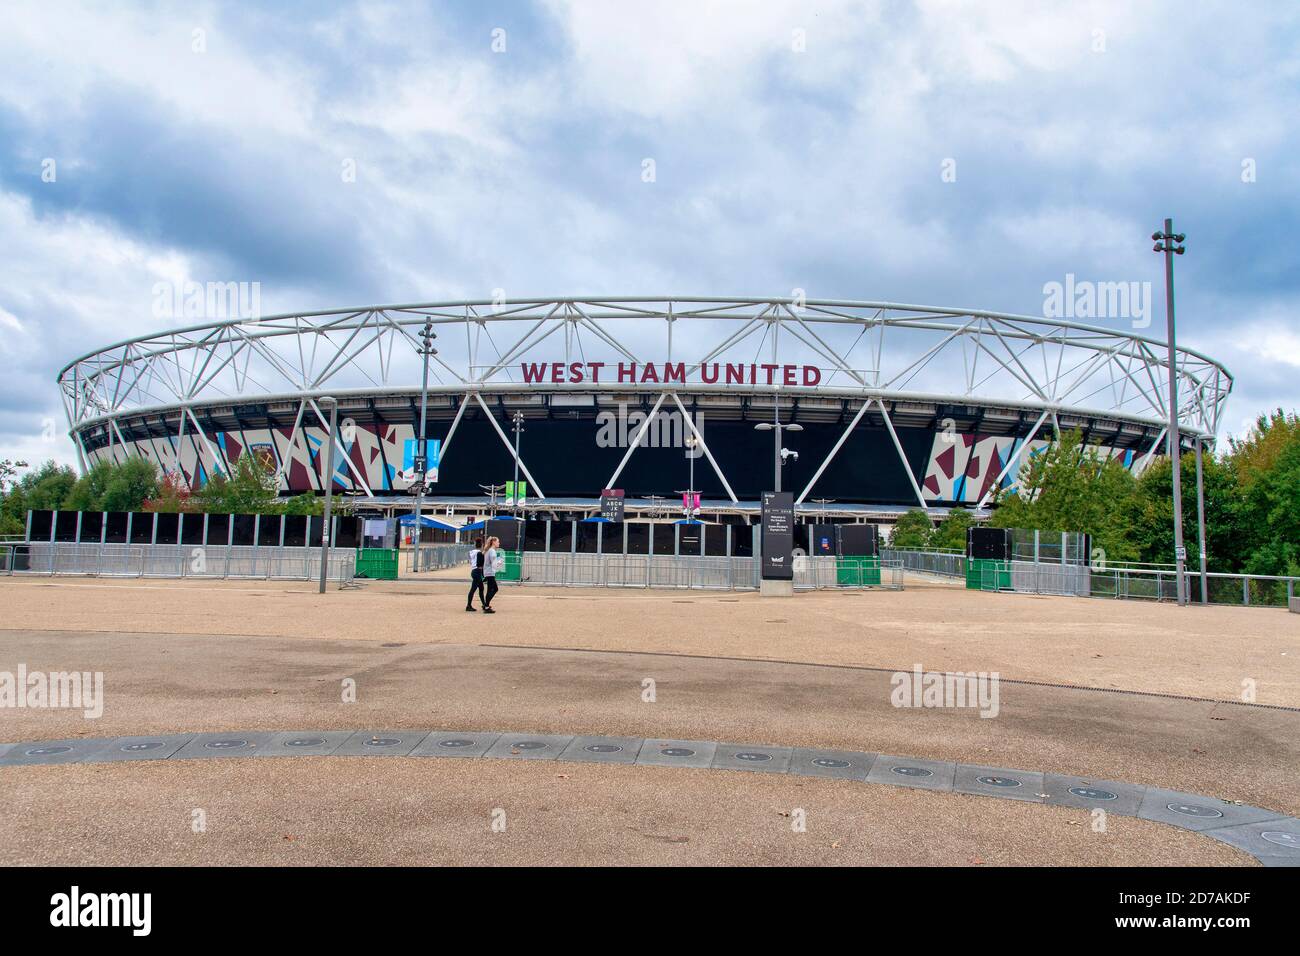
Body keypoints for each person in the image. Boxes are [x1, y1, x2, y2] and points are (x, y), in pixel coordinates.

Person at [466, 536, 485, 612]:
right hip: (477, 571)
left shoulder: (472, 552)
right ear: (481, 545)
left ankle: (484, 604)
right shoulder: (479, 553)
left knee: (481, 588)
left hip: (474, 571)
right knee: (473, 589)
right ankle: (468, 605)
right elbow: (480, 564)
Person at [482, 535, 501, 613]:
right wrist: (499, 562)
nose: (499, 543)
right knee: (493, 589)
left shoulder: (489, 550)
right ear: (493, 542)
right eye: (498, 542)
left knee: (491, 589)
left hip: (488, 572)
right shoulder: (492, 551)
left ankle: (486, 605)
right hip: (490, 572)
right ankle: (486, 606)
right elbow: (494, 563)